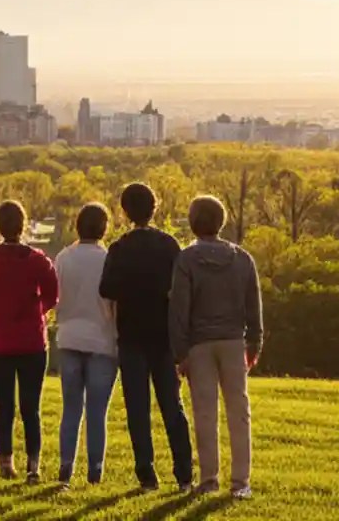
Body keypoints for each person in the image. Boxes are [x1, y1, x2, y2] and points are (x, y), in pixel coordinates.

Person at [99, 182, 194, 492]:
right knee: (172, 404)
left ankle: (146, 473)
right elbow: (181, 288)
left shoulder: (120, 248)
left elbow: (106, 289)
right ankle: (183, 473)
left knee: (137, 407)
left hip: (131, 334)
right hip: (163, 333)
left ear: (125, 212)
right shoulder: (169, 245)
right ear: (155, 208)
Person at [170, 195, 263, 500]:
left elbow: (179, 310)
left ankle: (209, 478)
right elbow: (254, 306)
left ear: (194, 222)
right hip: (234, 341)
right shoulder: (242, 258)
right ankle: (241, 482)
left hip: (199, 344)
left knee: (205, 413)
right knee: (239, 412)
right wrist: (255, 341)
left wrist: (179, 353)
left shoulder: (186, 259)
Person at [0, 200, 59, 484]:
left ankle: (5, 463)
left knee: (3, 406)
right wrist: (36, 313)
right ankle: (34, 466)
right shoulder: (38, 260)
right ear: (24, 226)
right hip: (32, 341)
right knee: (30, 407)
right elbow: (52, 296)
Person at [53, 203, 118, 489]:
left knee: (70, 408)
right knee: (96, 411)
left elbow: (56, 297)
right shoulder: (109, 259)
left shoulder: (64, 258)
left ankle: (66, 466)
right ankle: (95, 469)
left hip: (69, 336)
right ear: (104, 228)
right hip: (102, 339)